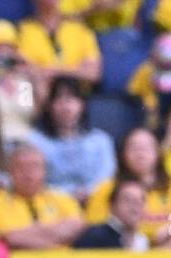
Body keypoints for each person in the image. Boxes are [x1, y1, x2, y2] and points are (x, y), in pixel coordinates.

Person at [85, 126, 171, 246]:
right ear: (123, 154)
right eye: (134, 148)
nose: (140, 154)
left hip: (164, 253)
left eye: (146, 148)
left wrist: (170, 231)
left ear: (158, 152)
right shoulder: (106, 189)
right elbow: (96, 230)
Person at [0, 142, 84, 248]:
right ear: (9, 171)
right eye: (21, 167)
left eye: (35, 167)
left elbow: (77, 227)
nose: (28, 174)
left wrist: (13, 237)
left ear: (45, 171)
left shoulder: (62, 199)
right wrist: (55, 236)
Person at [28, 74, 116, 203]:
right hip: (53, 205)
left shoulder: (100, 140)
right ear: (49, 106)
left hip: (95, 203)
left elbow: (106, 177)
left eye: (71, 99)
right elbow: (34, 180)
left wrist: (89, 192)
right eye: (59, 99)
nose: (66, 107)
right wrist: (69, 194)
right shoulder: (35, 141)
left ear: (82, 105)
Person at [73, 176, 149, 249]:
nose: (134, 207)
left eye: (140, 201)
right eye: (128, 200)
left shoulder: (143, 240)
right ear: (112, 205)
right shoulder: (94, 237)